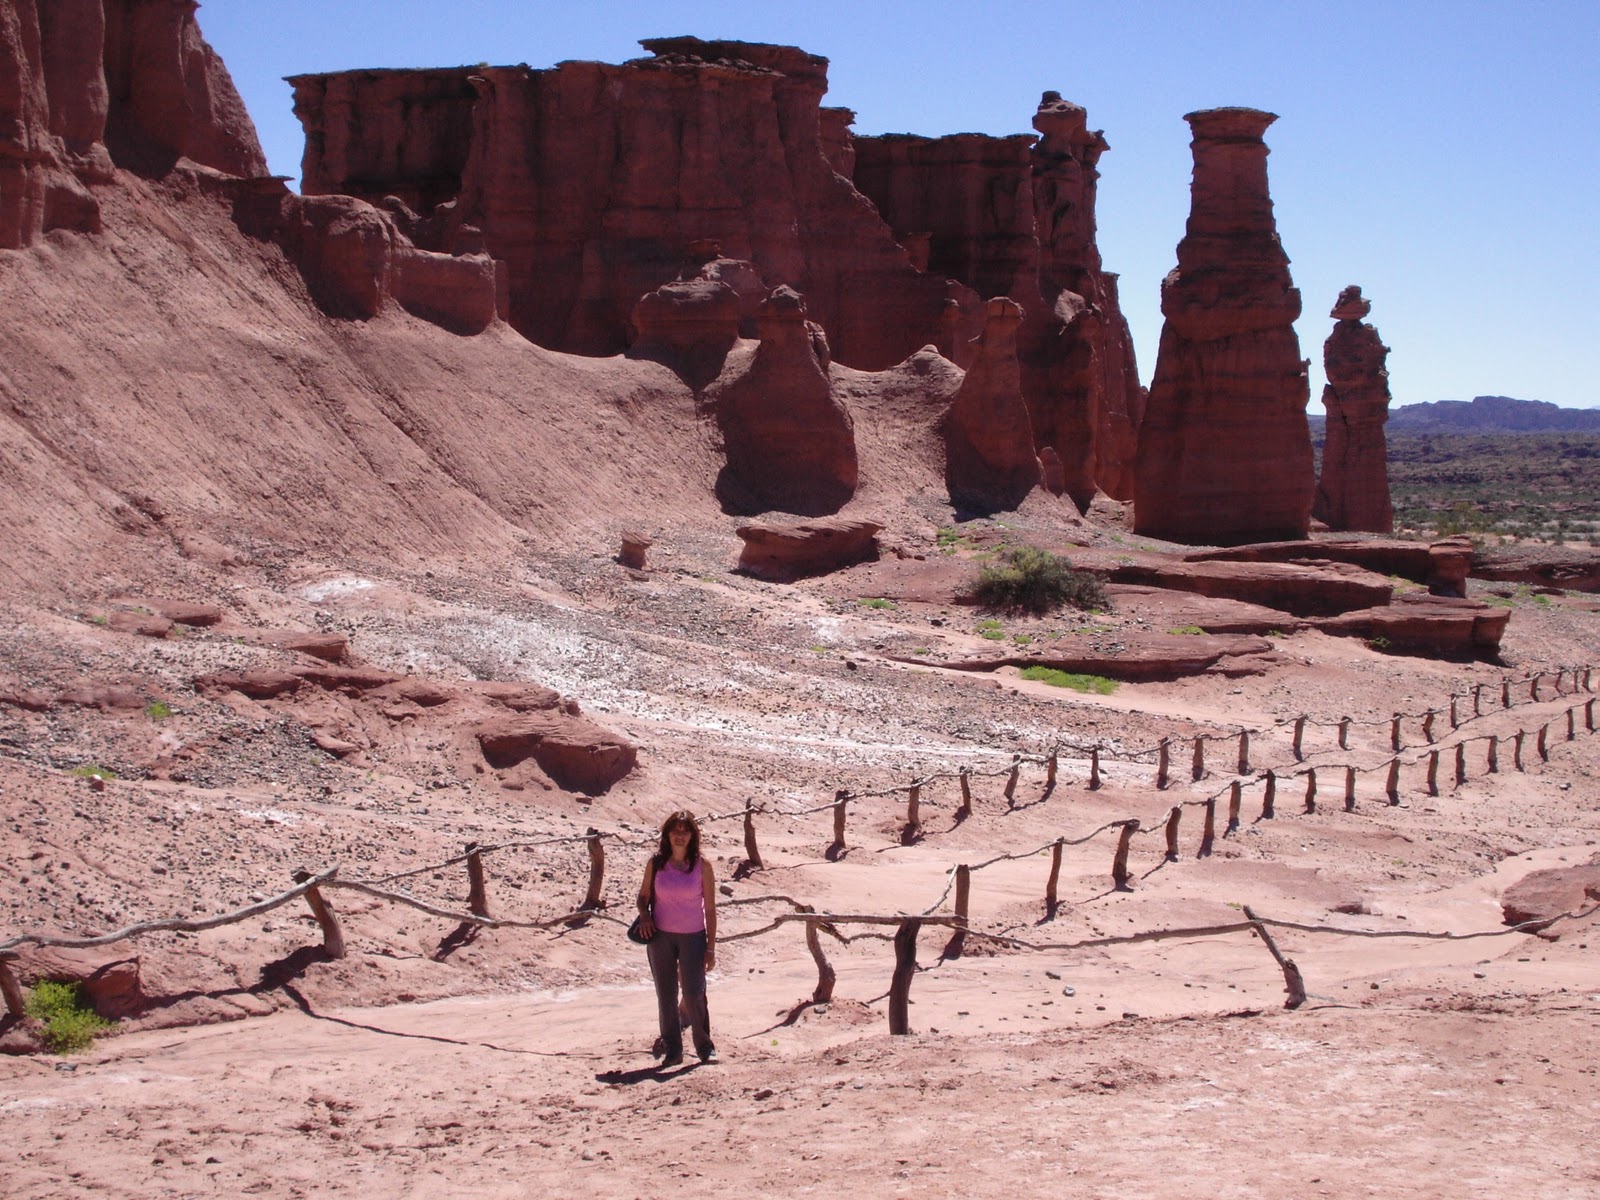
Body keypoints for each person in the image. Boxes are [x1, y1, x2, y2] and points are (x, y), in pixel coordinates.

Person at [636, 809, 717, 1066]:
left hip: (693, 937)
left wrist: (711, 947)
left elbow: (711, 909)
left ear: (693, 835)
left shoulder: (702, 866)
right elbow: (643, 897)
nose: (680, 836)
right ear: (667, 834)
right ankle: (673, 1049)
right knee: (666, 994)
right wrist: (645, 916)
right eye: (675, 831)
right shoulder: (656, 864)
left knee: (694, 992)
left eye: (685, 831)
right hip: (660, 937)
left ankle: (704, 1046)